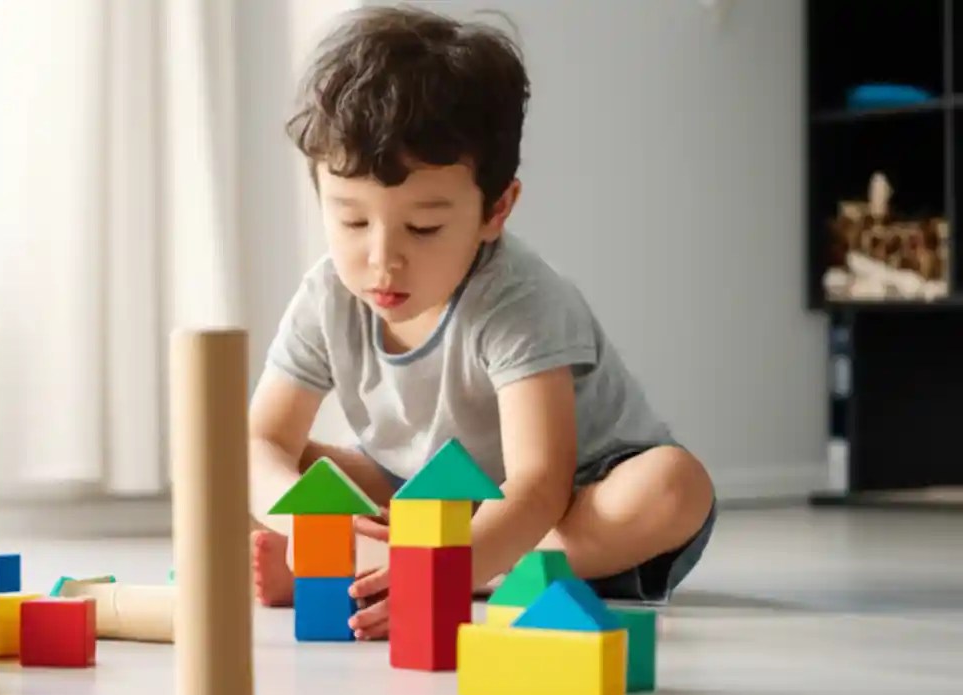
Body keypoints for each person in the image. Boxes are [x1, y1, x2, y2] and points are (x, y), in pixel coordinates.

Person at [248, 5, 716, 641]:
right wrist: (300, 520)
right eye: (353, 221)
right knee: (268, 465)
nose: (382, 259)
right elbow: (262, 444)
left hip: (571, 496)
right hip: (426, 493)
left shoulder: (518, 300)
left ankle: (428, 573)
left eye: (424, 227)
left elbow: (538, 486)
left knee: (673, 486)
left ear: (496, 210)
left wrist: (446, 570)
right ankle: (363, 561)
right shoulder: (327, 292)